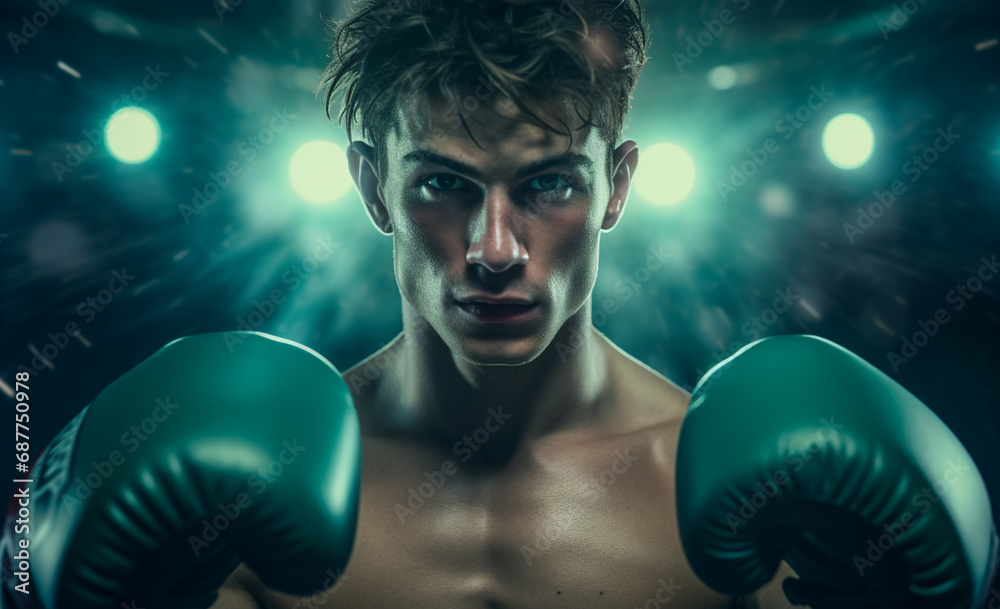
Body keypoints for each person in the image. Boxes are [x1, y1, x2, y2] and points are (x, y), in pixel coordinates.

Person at [4, 1, 995, 608]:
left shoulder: (757, 511)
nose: (493, 250)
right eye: (442, 185)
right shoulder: (232, 507)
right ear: (369, 187)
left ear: (615, 185)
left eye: (547, 185)